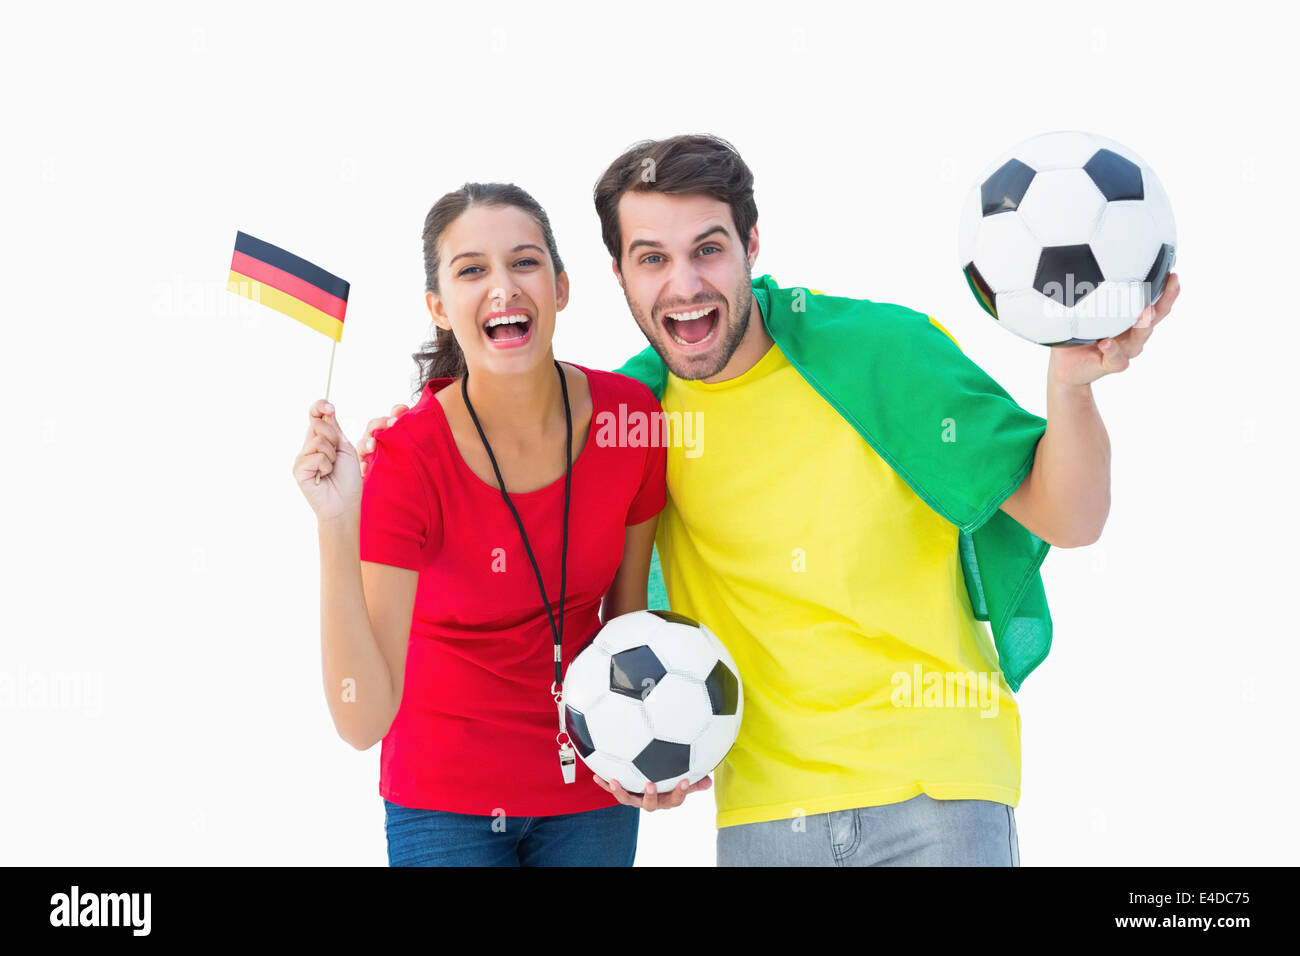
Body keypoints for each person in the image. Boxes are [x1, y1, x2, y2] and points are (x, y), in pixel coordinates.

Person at [357, 136, 1182, 867]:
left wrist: (1071, 387)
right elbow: (517, 464)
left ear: (752, 245)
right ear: (615, 276)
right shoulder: (632, 419)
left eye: (708, 250)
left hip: (940, 791)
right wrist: (413, 429)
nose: (683, 285)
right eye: (651, 258)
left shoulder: (881, 354)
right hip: (763, 813)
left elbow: (1071, 519)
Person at [293, 182, 703, 867]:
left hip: (590, 792)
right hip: (444, 802)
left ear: (562, 287)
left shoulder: (631, 421)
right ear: (439, 308)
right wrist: (337, 524)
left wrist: (653, 750)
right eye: (472, 270)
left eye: (524, 262)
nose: (503, 288)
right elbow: (361, 720)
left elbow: (626, 630)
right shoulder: (405, 460)